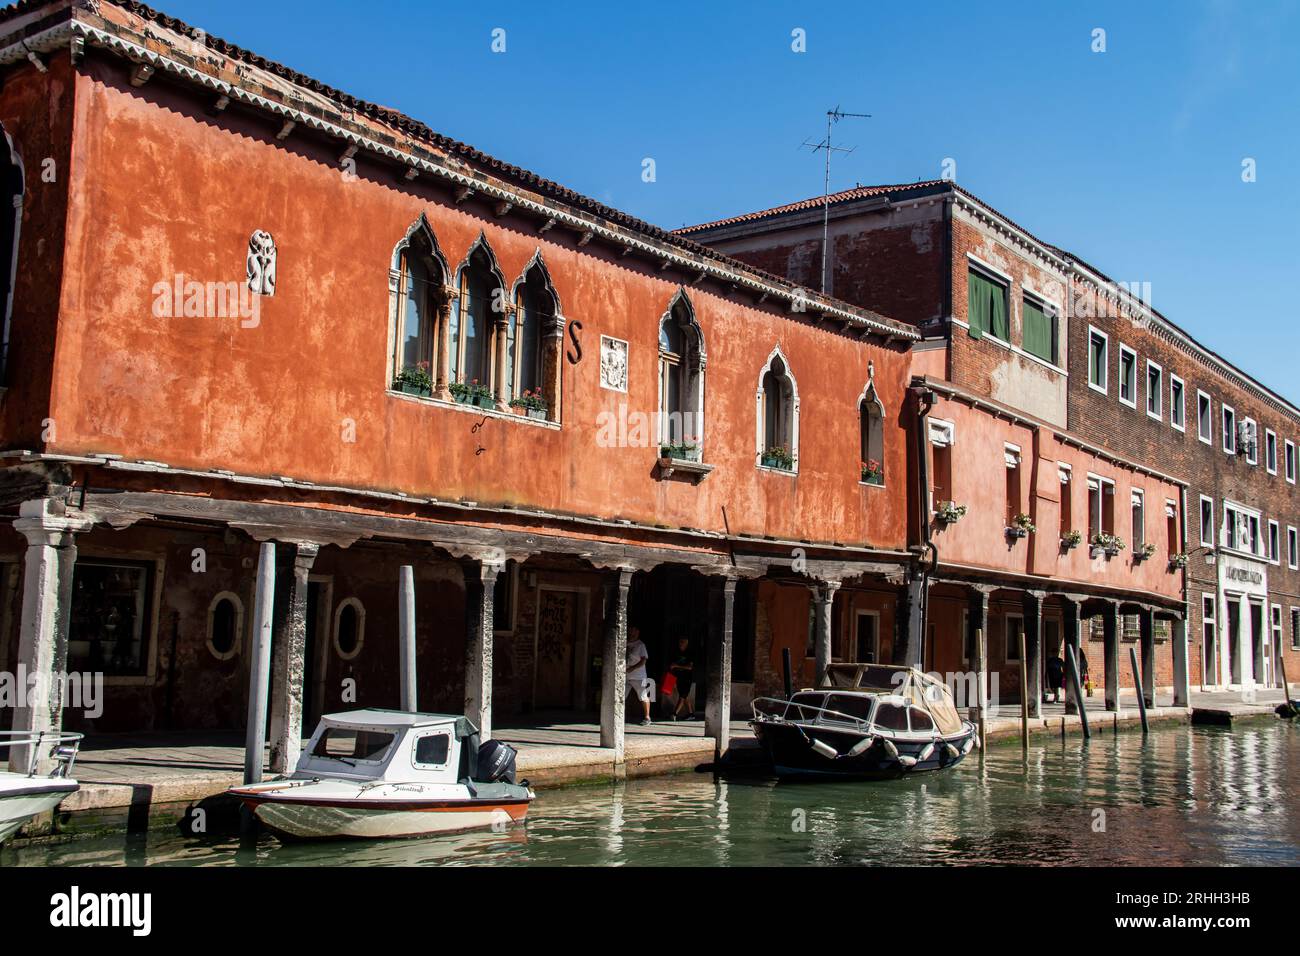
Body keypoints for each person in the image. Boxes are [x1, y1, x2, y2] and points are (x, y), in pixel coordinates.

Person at [625, 626, 654, 726]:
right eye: (631, 631)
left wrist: (632, 668)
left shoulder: (640, 645)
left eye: (634, 631)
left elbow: (643, 660)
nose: (632, 633)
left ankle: (647, 717)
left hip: (638, 676)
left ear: (638, 633)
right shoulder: (625, 642)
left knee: (643, 696)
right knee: (620, 696)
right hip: (625, 675)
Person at [668, 637, 695, 721]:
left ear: (687, 643)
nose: (681, 643)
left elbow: (690, 667)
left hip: (687, 678)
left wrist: (676, 666)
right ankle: (690, 714)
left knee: (682, 696)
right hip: (678, 677)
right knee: (684, 695)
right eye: (680, 642)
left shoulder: (690, 653)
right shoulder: (676, 652)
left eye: (683, 642)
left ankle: (674, 713)